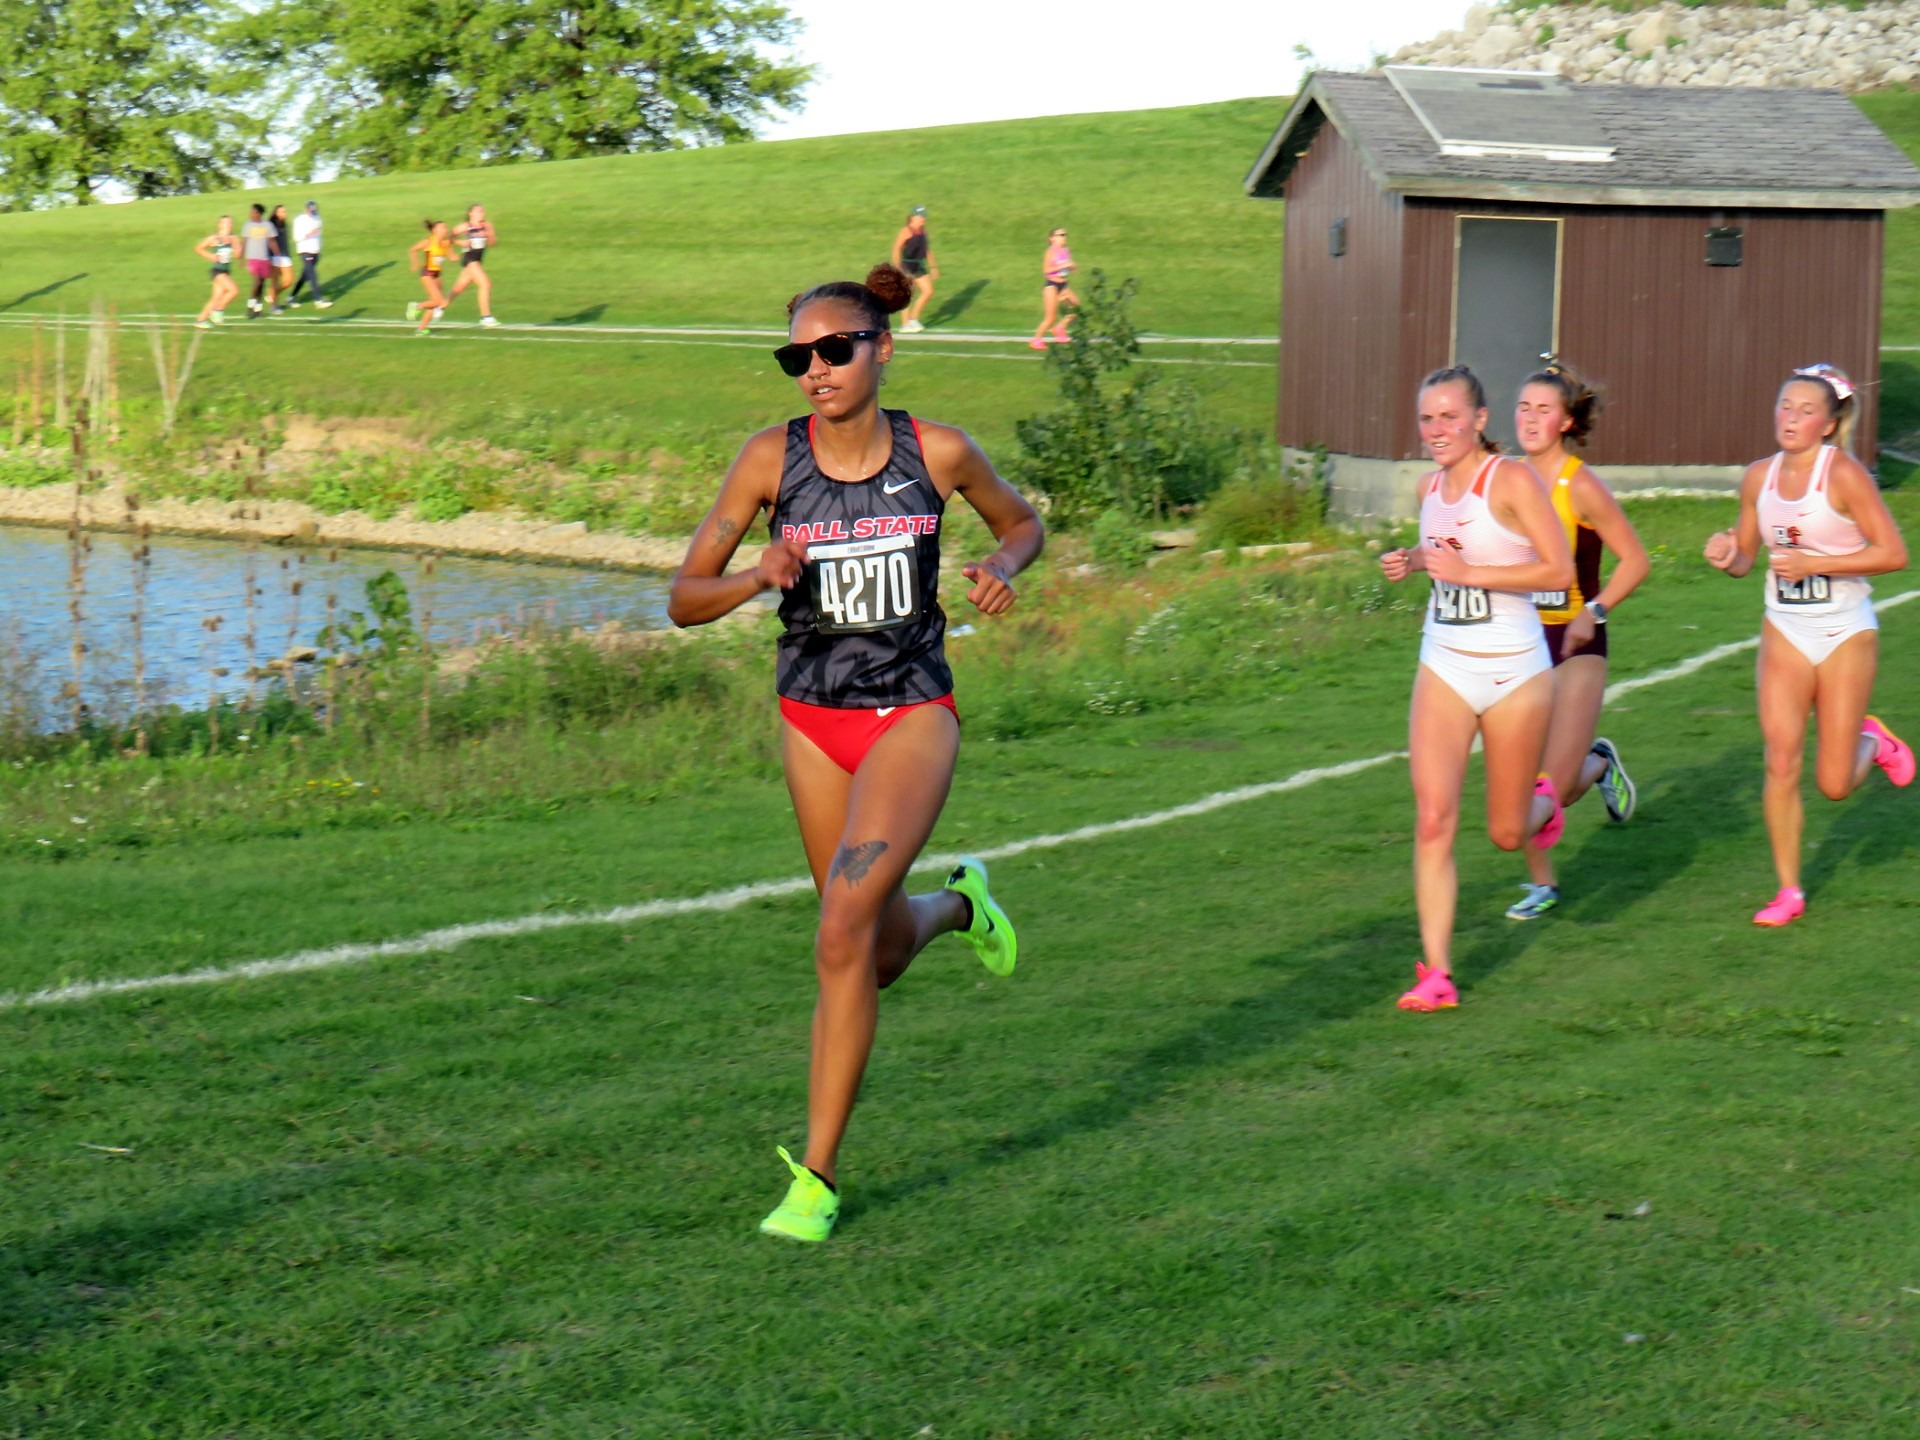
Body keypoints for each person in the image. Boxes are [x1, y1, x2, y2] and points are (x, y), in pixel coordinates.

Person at [667, 263, 1044, 1242]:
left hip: (910, 713)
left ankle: (818, 1181)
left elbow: (1022, 522)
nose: (816, 369)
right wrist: (755, 576)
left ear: (881, 346)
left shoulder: (939, 452)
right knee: (867, 953)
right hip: (812, 721)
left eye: (835, 349)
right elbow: (680, 599)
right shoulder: (768, 462)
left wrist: (1001, 566)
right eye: (799, 355)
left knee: (837, 928)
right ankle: (960, 906)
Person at [1378, 366, 1574, 1011]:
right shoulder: (1430, 488)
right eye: (1427, 419)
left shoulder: (1511, 479)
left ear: (1480, 420)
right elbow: (1446, 552)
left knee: (1507, 833)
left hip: (1516, 671)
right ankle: (1436, 972)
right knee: (1433, 819)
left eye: (1449, 418)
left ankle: (1545, 806)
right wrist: (1415, 560)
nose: (1437, 430)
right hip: (1445, 665)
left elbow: (1558, 572)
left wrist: (1471, 572)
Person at [1703, 364, 1913, 926]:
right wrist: (1728, 554)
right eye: (1784, 406)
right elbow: (1747, 559)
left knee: (1835, 784)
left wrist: (1817, 563)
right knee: (1781, 759)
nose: (1790, 418)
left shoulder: (1842, 476)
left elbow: (1894, 554)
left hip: (1846, 631)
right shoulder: (1757, 478)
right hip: (1785, 631)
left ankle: (1875, 742)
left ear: (1828, 423)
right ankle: (1788, 889)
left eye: (1804, 410)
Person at [1504, 362, 1651, 920]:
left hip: (1575, 643)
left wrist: (1596, 609)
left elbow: (1635, 561)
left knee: (1555, 788)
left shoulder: (1579, 485)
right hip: (1518, 644)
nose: (1531, 419)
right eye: (1523, 407)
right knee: (1522, 784)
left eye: (1544, 409)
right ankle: (1543, 884)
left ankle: (1593, 762)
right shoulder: (1505, 478)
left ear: (1566, 420)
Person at [447, 203, 500, 327]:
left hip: (478, 259)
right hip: (469, 258)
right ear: (470, 213)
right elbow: (448, 239)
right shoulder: (464, 227)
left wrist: (490, 235)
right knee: (485, 284)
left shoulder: (487, 226)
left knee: (458, 289)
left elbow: (493, 243)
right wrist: (459, 243)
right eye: (478, 211)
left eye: (482, 211)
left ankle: (437, 308)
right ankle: (485, 316)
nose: (481, 213)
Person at [1029, 227, 1078, 351]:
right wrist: (1063, 265)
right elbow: (1046, 270)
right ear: (1052, 238)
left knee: (1076, 308)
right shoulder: (1050, 251)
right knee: (1050, 317)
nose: (1063, 237)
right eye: (1060, 235)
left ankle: (1059, 328)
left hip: (1064, 285)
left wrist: (1073, 266)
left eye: (1064, 234)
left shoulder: (1066, 250)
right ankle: (1036, 339)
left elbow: (1070, 267)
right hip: (1052, 285)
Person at [890, 207, 937, 333]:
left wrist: (933, 267)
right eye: (921, 216)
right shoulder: (906, 231)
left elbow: (927, 250)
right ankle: (905, 325)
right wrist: (898, 266)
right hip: (907, 265)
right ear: (913, 217)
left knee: (928, 291)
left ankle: (913, 318)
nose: (924, 219)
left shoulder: (923, 231)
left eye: (924, 216)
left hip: (918, 265)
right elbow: (896, 249)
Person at [406, 220, 453, 336]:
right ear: (434, 230)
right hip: (427, 273)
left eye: (445, 227)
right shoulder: (428, 242)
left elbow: (452, 257)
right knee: (437, 301)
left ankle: (421, 328)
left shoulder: (445, 243)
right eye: (442, 227)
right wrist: (414, 263)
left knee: (435, 303)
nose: (445, 230)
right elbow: (412, 250)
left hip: (437, 275)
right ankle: (416, 306)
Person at [193, 216, 240, 330]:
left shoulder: (233, 238)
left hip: (226, 270)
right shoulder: (214, 238)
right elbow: (198, 248)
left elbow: (237, 255)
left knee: (216, 298)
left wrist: (238, 247)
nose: (229, 225)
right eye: (226, 223)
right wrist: (211, 256)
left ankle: (201, 320)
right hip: (217, 270)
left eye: (230, 223)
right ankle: (218, 310)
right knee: (234, 290)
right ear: (220, 224)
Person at [288, 201, 332, 309]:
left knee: (305, 276)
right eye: (311, 211)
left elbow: (319, 236)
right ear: (306, 210)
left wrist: (318, 249)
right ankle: (318, 300)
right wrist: (309, 234)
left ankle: (291, 297)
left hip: (315, 251)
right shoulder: (299, 220)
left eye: (314, 211)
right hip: (305, 250)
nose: (313, 213)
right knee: (313, 275)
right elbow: (296, 237)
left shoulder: (318, 219)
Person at [238, 204, 280, 317]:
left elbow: (272, 241)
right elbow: (244, 241)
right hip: (252, 258)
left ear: (259, 214)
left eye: (253, 212)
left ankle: (258, 309)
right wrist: (241, 258)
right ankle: (250, 305)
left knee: (262, 283)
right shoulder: (248, 225)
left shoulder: (268, 225)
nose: (251, 215)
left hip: (264, 258)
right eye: (251, 212)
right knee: (256, 281)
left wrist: (277, 255)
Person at [267, 204, 297, 313]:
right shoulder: (270, 224)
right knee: (275, 281)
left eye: (285, 211)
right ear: (276, 213)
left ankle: (272, 294)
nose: (285, 213)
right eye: (282, 211)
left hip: (285, 255)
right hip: (274, 256)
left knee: (289, 280)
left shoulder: (284, 224)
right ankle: (274, 305)